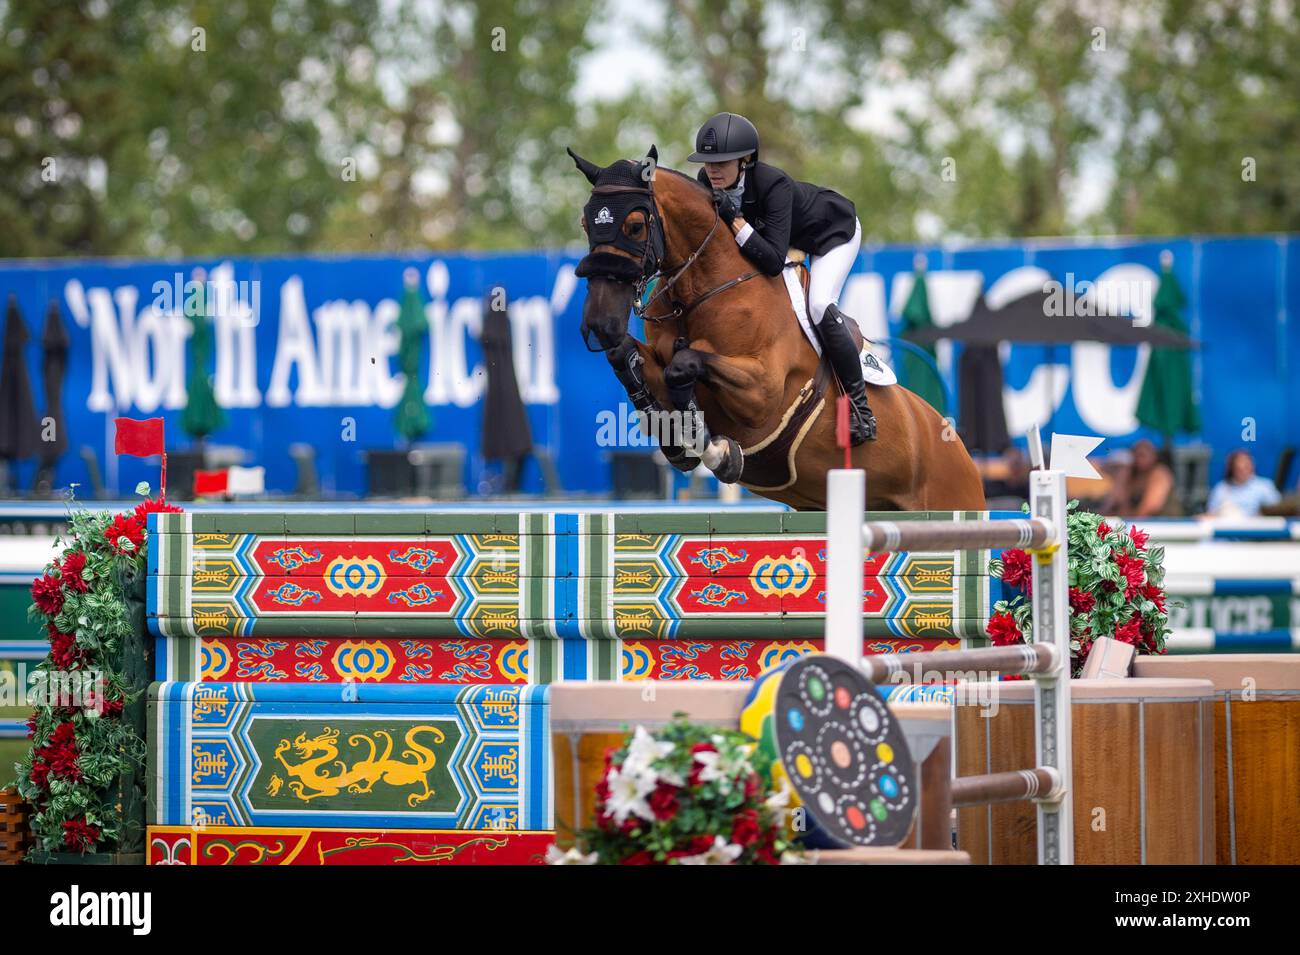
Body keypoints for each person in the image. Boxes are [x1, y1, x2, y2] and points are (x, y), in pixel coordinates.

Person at [686, 112, 875, 443]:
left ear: (745, 159)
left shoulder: (773, 185)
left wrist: (734, 219)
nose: (713, 170)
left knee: (818, 304)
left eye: (722, 162)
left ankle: (860, 409)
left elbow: (772, 261)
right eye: (708, 162)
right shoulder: (706, 181)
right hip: (785, 242)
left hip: (831, 234)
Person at [1101, 439, 1181, 517]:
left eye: (1143, 455)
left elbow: (1150, 508)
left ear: (1153, 456)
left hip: (1166, 522)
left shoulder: (1160, 474)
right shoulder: (1130, 473)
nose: (1139, 459)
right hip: (1135, 520)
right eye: (1136, 455)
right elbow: (1116, 500)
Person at [1206, 449, 1280, 517]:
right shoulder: (1221, 488)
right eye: (1238, 468)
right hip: (1229, 529)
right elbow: (1211, 514)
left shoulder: (1265, 486)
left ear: (1252, 466)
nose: (1243, 471)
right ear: (1232, 469)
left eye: (1246, 467)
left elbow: (1276, 512)